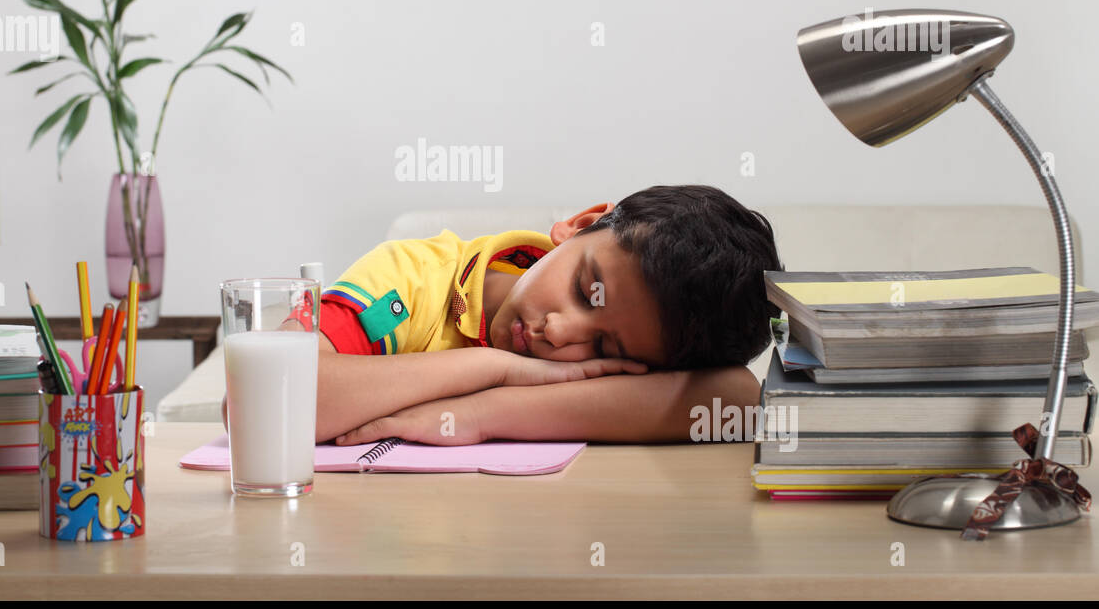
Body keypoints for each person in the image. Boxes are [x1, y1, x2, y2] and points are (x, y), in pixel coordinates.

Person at [223, 184, 782, 445]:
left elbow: (735, 397)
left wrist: (482, 415)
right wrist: (493, 368)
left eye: (604, 348)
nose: (559, 333)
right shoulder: (411, 278)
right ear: (579, 224)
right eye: (588, 291)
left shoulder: (653, 337)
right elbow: (258, 403)